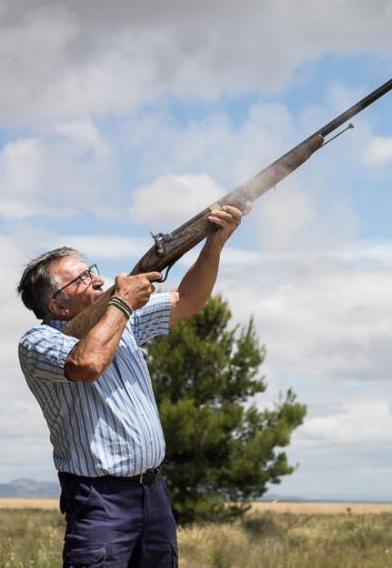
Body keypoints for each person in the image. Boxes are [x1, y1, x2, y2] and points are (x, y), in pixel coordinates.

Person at [16, 205, 246, 567]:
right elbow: (87, 363)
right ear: (57, 305)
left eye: (90, 270)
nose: (96, 279)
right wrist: (121, 304)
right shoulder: (37, 342)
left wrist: (214, 243)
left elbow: (189, 300)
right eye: (81, 279)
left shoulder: (120, 322)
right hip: (99, 498)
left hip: (153, 492)